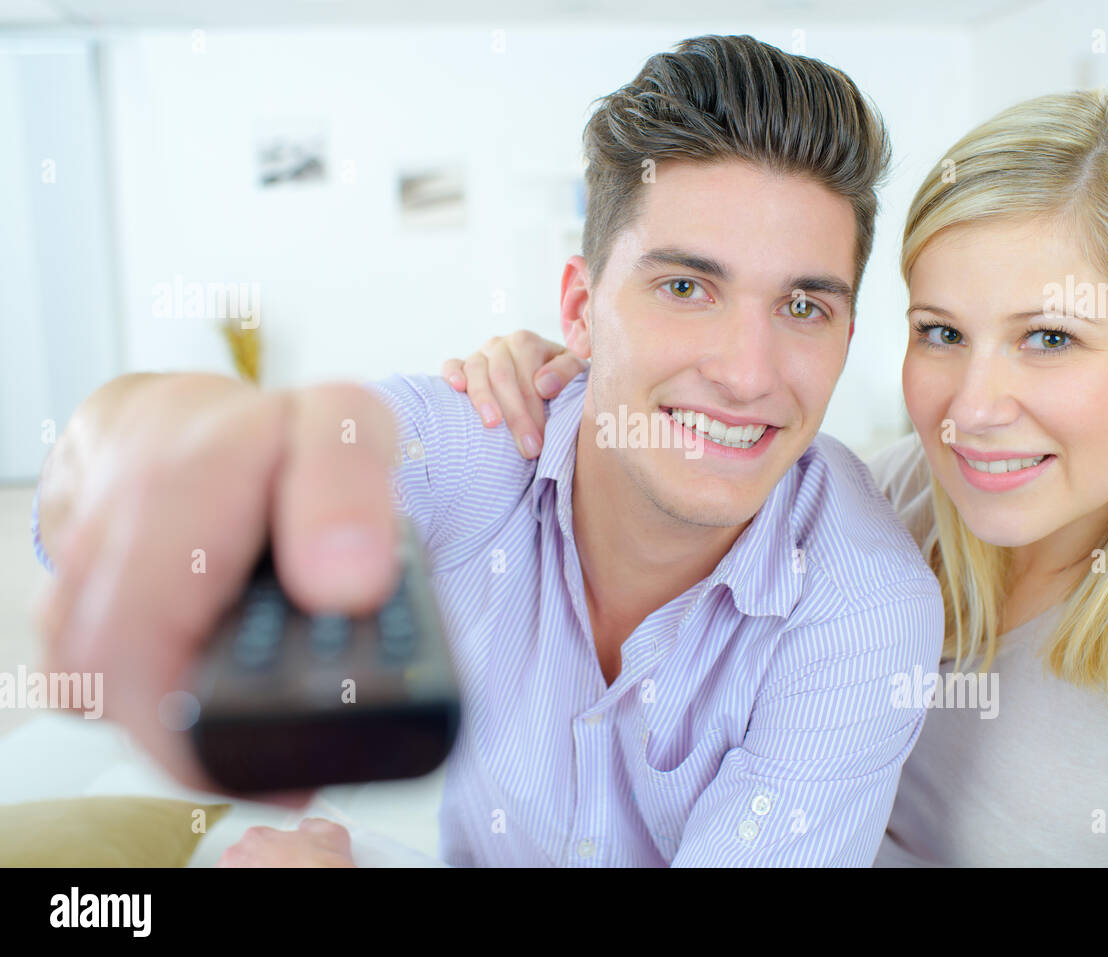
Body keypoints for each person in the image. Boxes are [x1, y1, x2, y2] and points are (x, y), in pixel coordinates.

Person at [32, 35, 943, 866]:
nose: (748, 374)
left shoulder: (864, 608)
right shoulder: (478, 441)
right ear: (581, 311)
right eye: (684, 286)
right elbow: (163, 479)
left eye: (802, 307)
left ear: (847, 331)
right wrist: (143, 449)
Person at [445, 88, 1108, 865]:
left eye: (1049, 338)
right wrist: (574, 381)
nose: (975, 407)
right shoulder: (898, 498)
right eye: (942, 333)